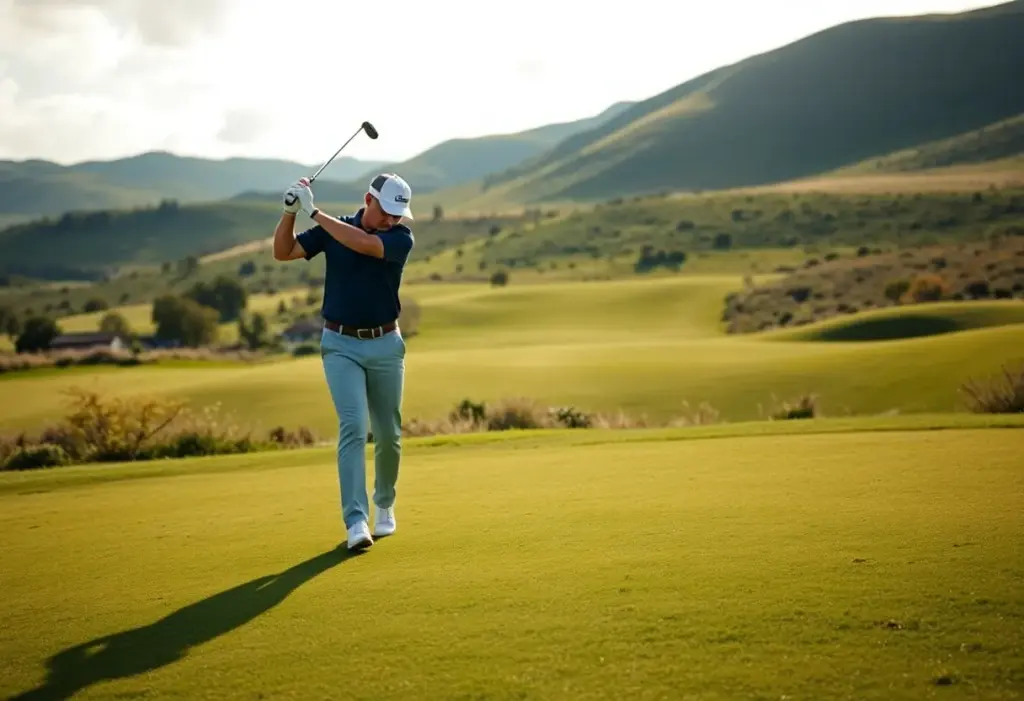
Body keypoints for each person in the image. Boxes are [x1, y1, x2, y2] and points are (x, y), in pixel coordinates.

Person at [272, 172, 415, 551]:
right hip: (339, 344)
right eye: (386, 212)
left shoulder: (399, 238)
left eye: (397, 215)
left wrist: (313, 211)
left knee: (388, 433)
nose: (391, 220)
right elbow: (283, 252)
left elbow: (366, 245)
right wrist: (289, 213)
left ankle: (384, 503)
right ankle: (356, 521)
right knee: (354, 426)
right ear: (368, 200)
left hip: (385, 344)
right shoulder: (333, 229)